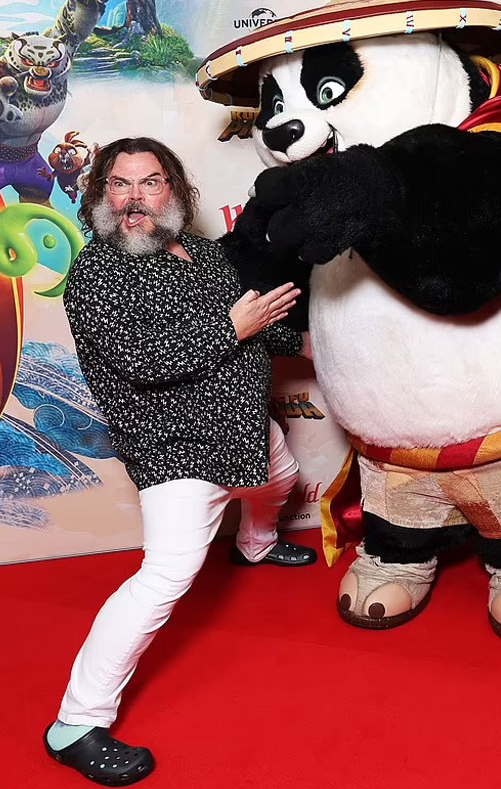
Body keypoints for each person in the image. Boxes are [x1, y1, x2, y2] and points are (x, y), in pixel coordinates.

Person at [43, 136, 316, 785]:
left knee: (282, 480)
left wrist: (309, 342)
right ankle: (75, 723)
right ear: (100, 195)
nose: (135, 198)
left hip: (248, 427)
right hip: (180, 450)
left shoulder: (203, 252)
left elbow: (253, 321)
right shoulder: (97, 275)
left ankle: (255, 543)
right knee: (164, 578)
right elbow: (145, 363)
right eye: (119, 184)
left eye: (151, 182)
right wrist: (236, 329)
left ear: (175, 192)